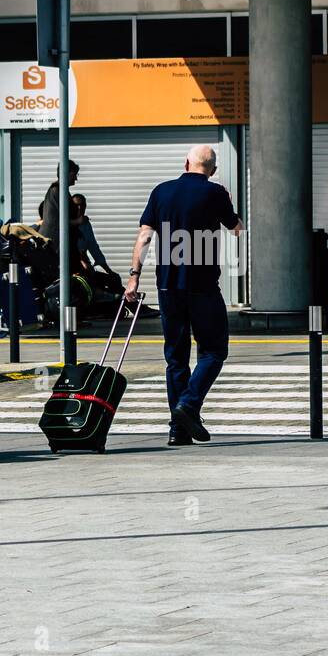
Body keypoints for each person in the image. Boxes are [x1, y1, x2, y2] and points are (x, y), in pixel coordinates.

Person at [125, 144, 242, 447]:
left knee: (176, 358)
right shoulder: (215, 193)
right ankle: (188, 405)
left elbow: (145, 236)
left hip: (168, 287)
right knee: (213, 351)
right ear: (213, 170)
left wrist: (134, 276)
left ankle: (178, 430)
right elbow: (236, 229)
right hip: (203, 287)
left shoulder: (161, 191)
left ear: (185, 163)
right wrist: (228, 205)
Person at [39, 160, 83, 271]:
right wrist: (77, 221)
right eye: (73, 175)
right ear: (65, 173)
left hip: (58, 244)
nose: (76, 179)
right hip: (55, 245)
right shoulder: (57, 191)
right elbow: (57, 221)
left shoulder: (59, 191)